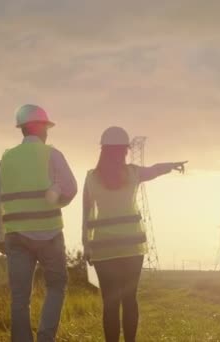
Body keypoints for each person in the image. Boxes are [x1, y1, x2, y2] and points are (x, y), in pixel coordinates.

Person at [81, 126, 187, 342]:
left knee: (110, 303)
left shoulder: (91, 178)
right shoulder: (133, 173)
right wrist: (172, 166)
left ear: (103, 150)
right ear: (124, 150)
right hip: (131, 247)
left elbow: (87, 214)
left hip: (103, 249)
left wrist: (86, 245)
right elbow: (155, 169)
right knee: (129, 299)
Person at [0, 104, 77, 342]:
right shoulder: (52, 154)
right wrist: (58, 198)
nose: (48, 132)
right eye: (46, 127)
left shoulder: (6, 158)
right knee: (56, 287)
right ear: (41, 128)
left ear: (22, 129)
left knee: (19, 298)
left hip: (15, 236)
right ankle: (45, 338)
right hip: (49, 234)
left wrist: (0, 237)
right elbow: (71, 188)